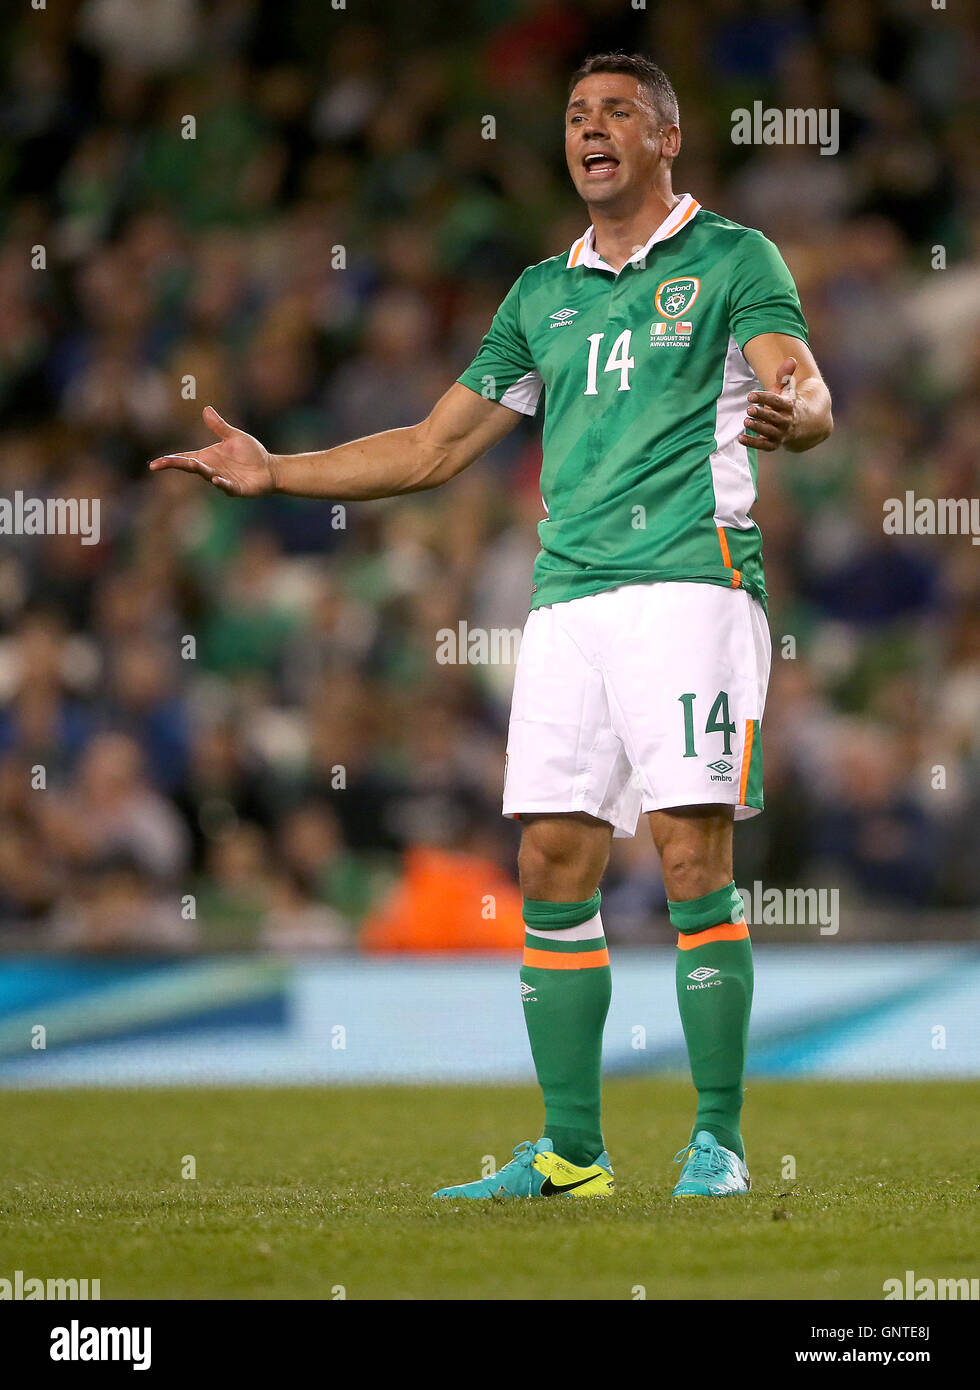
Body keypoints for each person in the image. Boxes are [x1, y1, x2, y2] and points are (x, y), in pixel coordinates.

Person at [150, 53, 833, 1200]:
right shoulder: (538, 295)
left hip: (690, 586)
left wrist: (797, 413)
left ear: (666, 138)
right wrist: (275, 472)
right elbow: (431, 447)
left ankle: (715, 1143)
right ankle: (572, 1154)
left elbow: (800, 385)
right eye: (574, 116)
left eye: (615, 113)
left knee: (688, 855)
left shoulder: (731, 257)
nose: (589, 130)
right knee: (550, 859)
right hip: (564, 599)